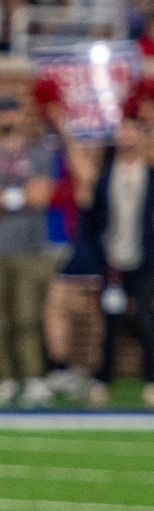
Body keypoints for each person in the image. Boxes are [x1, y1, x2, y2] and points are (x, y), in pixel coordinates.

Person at [0, 93, 57, 407]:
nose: (6, 118)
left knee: (29, 317)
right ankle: (7, 379)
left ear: (20, 115)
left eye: (11, 111)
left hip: (30, 248)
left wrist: (0, 199)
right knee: (0, 319)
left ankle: (33, 378)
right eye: (0, 112)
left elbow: (41, 196)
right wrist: (17, 196)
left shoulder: (37, 155)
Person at [71, 118, 154, 408]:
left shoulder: (150, 175)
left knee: (146, 321)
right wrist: (99, 254)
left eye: (133, 132)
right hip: (113, 262)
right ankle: (103, 381)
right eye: (123, 133)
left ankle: (150, 382)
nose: (127, 138)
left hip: (145, 261)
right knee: (110, 323)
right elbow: (92, 220)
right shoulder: (106, 176)